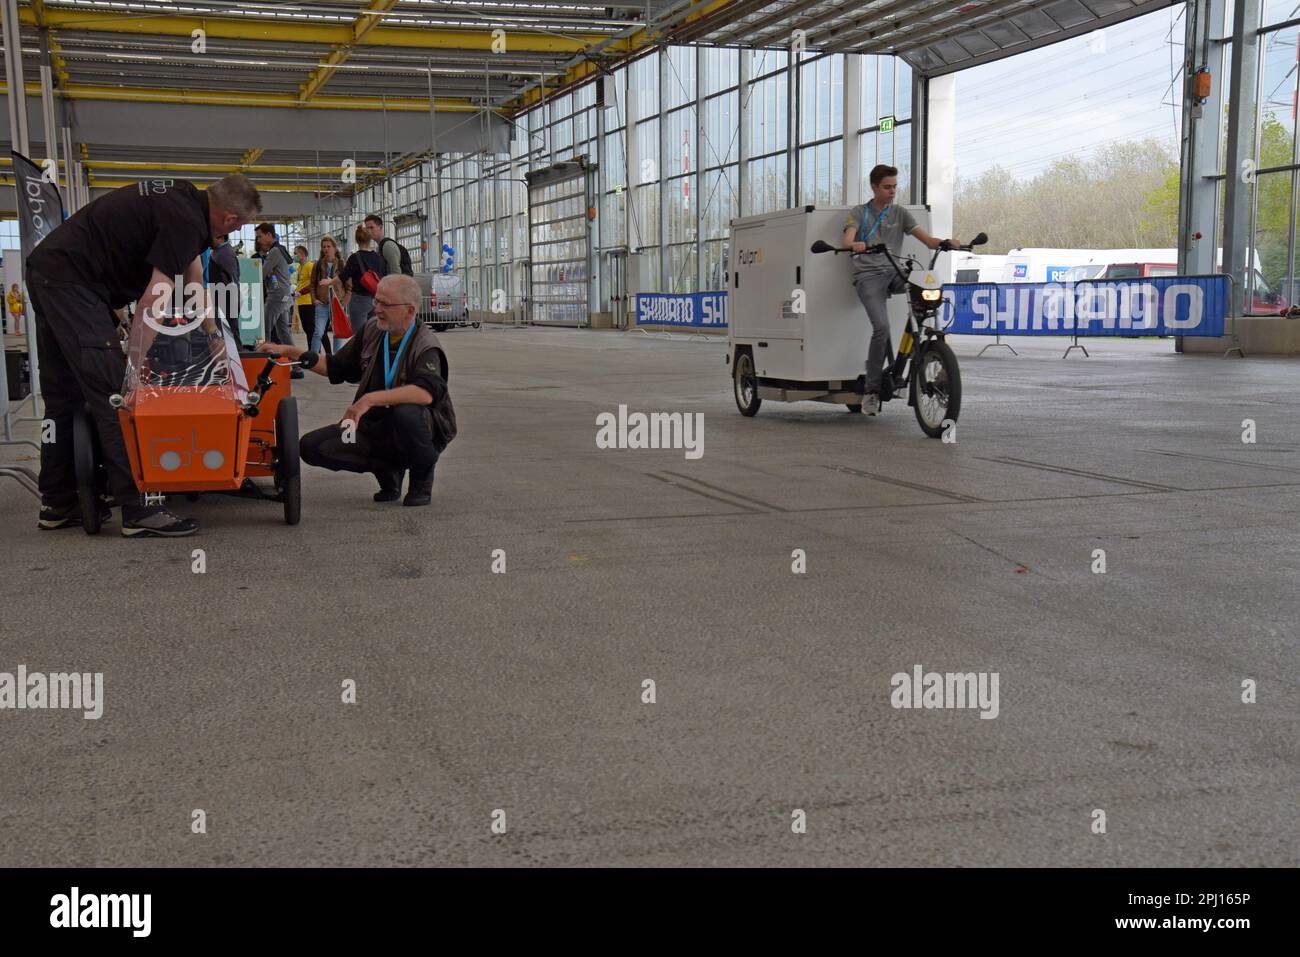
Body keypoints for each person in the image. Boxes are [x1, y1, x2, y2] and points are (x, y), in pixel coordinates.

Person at [25, 173, 262, 536]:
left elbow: (194, 281)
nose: (234, 234)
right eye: (240, 226)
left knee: (63, 396)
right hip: (74, 283)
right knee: (115, 395)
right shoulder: (185, 220)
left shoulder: (185, 199)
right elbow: (155, 299)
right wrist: (134, 367)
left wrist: (215, 338)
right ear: (230, 219)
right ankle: (139, 508)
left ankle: (57, 503)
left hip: (50, 271)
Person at [257, 274, 454, 507]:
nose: (377, 309)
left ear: (409, 310)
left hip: (418, 427)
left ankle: (421, 479)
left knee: (408, 415)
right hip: (373, 426)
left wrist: (368, 400)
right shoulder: (373, 330)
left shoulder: (426, 344)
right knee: (311, 447)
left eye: (385, 304)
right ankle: (387, 468)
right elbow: (336, 367)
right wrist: (288, 351)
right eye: (376, 301)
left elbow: (425, 393)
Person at [842, 164, 956, 416]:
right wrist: (855, 244)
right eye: (887, 187)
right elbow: (847, 239)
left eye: (895, 186)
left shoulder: (901, 213)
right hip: (868, 275)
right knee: (881, 328)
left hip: (894, 271)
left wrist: (947, 243)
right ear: (873, 187)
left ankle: (932, 355)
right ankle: (871, 392)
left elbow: (927, 240)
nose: (892, 191)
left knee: (925, 290)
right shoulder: (860, 212)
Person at [340, 224, 385, 339]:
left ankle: (360, 356)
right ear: (370, 239)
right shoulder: (378, 257)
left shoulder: (354, 258)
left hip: (359, 299)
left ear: (356, 240)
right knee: (373, 334)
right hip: (375, 299)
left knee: (359, 337)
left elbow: (344, 276)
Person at [256, 223, 294, 355]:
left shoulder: (274, 251)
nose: (258, 240)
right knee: (283, 332)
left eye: (260, 237)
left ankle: (264, 363)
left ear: (269, 235)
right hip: (283, 295)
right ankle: (297, 364)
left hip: (276, 296)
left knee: (265, 331)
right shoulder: (280, 249)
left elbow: (262, 272)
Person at [207, 233, 242, 345]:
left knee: (231, 333)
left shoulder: (225, 254)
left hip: (226, 299)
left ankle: (238, 355)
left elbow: (232, 279)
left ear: (220, 237)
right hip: (222, 298)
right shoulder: (220, 252)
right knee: (227, 332)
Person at [311, 235, 343, 355]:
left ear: (334, 248)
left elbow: (349, 284)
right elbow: (312, 284)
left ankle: (337, 357)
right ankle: (313, 358)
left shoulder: (341, 264)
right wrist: (314, 299)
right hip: (322, 303)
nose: (326, 249)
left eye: (329, 246)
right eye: (324, 247)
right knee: (318, 332)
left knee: (337, 332)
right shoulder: (318, 265)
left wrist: (344, 301)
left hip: (337, 303)